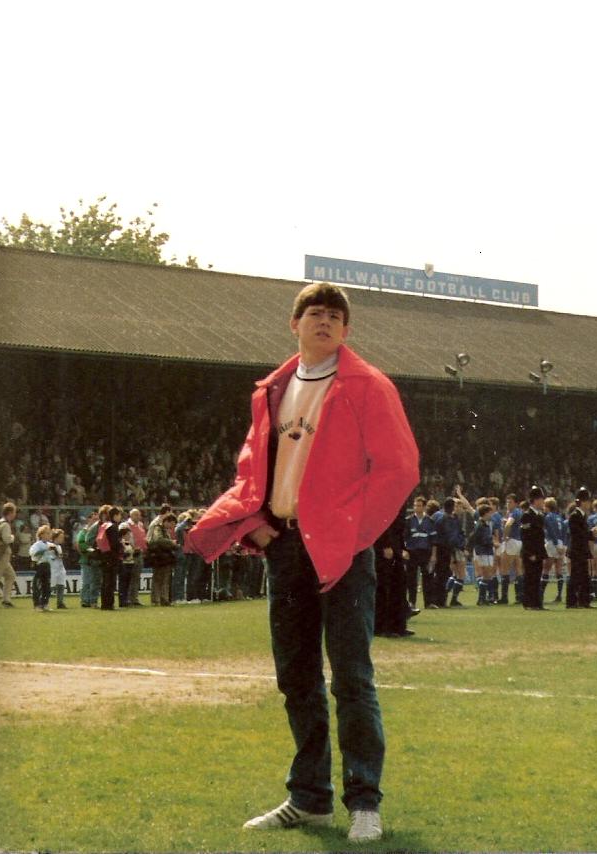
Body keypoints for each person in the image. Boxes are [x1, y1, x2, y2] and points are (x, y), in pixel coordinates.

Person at [187, 280, 419, 842]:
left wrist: (352, 533)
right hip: (286, 547)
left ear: (347, 329)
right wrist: (259, 530)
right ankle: (309, 799)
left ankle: (364, 802)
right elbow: (251, 470)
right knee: (296, 678)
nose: (325, 321)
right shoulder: (272, 389)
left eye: (335, 315)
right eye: (314, 313)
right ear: (295, 324)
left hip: (340, 548)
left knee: (352, 679)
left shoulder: (368, 386)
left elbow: (399, 468)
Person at [374, 513, 412, 637]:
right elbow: (378, 523)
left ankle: (398, 626)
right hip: (383, 548)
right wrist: (384, 545)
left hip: (396, 548)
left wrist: (402, 548)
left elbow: (399, 530)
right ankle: (381, 627)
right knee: (384, 589)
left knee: (399, 587)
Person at [403, 496, 437, 608]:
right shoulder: (408, 520)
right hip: (412, 552)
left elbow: (433, 540)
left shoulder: (430, 521)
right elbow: (403, 538)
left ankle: (429, 602)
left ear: (424, 507)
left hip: (425, 551)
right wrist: (404, 551)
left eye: (419, 505)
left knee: (427, 577)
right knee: (411, 578)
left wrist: (433, 555)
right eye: (415, 505)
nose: (416, 508)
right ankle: (412, 602)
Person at [518, 486, 547, 610]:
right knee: (530, 577)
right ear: (535, 500)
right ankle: (528, 602)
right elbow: (526, 536)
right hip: (531, 552)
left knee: (537, 577)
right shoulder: (527, 515)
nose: (543, 502)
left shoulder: (540, 516)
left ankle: (537, 602)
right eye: (541, 499)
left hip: (539, 551)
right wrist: (530, 553)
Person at [566, 488, 594, 609]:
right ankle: (571, 601)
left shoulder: (582, 516)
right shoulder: (575, 516)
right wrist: (590, 534)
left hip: (582, 550)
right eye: (588, 501)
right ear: (582, 502)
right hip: (577, 550)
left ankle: (584, 601)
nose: (589, 504)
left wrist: (591, 534)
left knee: (584, 576)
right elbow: (578, 534)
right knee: (575, 576)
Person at [147, 513, 179, 606]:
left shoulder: (165, 530)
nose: (173, 526)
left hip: (165, 558)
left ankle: (164, 599)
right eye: (172, 523)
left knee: (165, 579)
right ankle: (156, 600)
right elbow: (159, 540)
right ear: (167, 522)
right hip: (159, 557)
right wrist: (172, 543)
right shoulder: (158, 528)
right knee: (158, 579)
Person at [470, 503, 498, 605]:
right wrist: (493, 543)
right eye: (490, 512)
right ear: (485, 513)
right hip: (483, 551)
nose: (491, 514)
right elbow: (481, 539)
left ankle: (483, 598)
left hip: (487, 551)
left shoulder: (485, 524)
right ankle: (481, 599)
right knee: (486, 574)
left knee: (488, 575)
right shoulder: (480, 525)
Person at [28, 524, 55, 612]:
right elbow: (33, 554)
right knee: (37, 586)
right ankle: (37, 605)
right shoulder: (37, 545)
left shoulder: (50, 544)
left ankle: (45, 603)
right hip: (40, 565)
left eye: (49, 533)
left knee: (47, 586)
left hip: (47, 566)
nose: (49, 535)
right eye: (47, 533)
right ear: (42, 534)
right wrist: (45, 549)